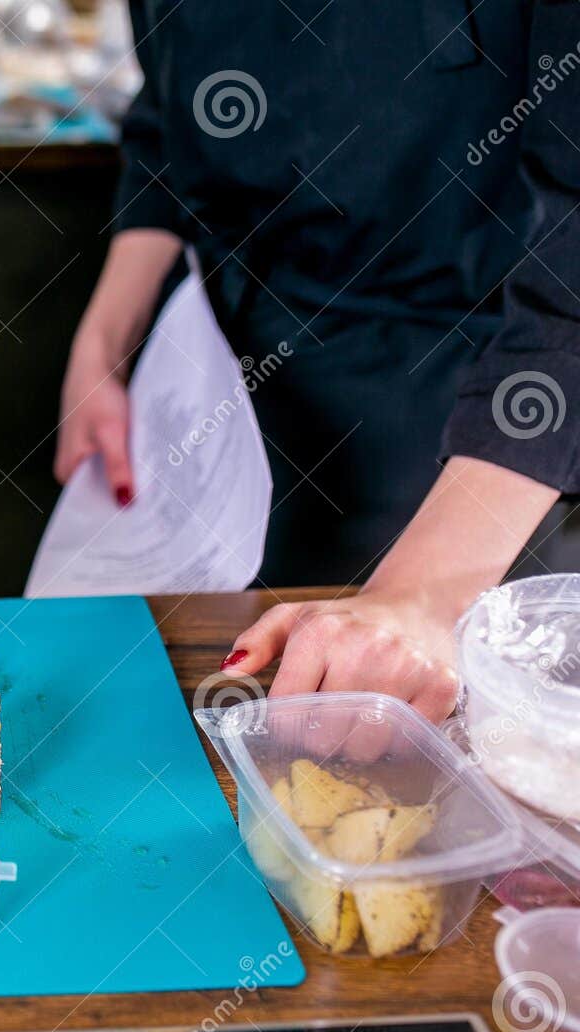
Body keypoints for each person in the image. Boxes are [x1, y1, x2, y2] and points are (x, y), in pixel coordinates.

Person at [54, 2, 580, 717]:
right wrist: (103, 347)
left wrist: (426, 592)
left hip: (464, 443)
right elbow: (165, 128)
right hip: (222, 394)